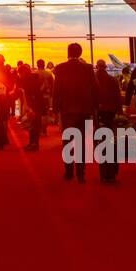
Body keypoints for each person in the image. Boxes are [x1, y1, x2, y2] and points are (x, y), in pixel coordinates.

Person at [52, 43, 96, 182]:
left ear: (68, 52)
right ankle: (81, 174)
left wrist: (55, 109)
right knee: (82, 142)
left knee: (68, 141)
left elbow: (56, 90)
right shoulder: (88, 68)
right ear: (80, 53)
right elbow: (95, 89)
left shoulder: (60, 68)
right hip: (84, 111)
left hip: (67, 111)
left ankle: (69, 171)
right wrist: (94, 108)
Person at [93, 60, 122, 182]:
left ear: (96, 67)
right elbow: (117, 95)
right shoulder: (113, 79)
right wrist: (119, 110)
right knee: (109, 137)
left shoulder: (92, 80)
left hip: (97, 112)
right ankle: (111, 169)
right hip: (110, 112)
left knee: (99, 137)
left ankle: (103, 170)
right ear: (105, 67)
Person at [18, 62, 43, 151]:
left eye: (20, 73)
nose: (19, 75)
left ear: (23, 72)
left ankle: (34, 144)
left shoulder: (28, 80)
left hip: (33, 105)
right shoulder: (33, 78)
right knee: (34, 125)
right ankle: (33, 143)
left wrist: (30, 107)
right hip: (36, 105)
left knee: (33, 126)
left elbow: (31, 94)